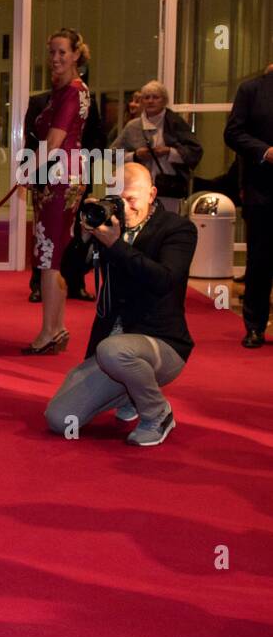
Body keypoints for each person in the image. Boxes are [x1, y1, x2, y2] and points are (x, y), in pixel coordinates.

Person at [45, 163, 197, 446]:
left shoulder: (178, 229)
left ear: (152, 194)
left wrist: (117, 246)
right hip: (111, 351)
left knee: (114, 351)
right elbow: (69, 273)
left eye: (132, 199)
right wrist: (83, 238)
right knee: (59, 418)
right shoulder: (109, 225)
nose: (125, 207)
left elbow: (164, 280)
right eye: (119, 199)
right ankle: (130, 392)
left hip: (162, 345)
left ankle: (157, 413)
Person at [18, 29, 92, 355]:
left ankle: (49, 331)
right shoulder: (65, 90)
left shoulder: (73, 92)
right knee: (54, 254)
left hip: (58, 178)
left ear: (77, 54)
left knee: (48, 256)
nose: (56, 58)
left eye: (62, 52)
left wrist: (32, 173)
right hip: (64, 175)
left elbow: (56, 139)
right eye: (52, 52)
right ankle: (56, 327)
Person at [223, 63, 273, 348]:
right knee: (260, 262)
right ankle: (254, 326)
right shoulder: (252, 89)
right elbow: (233, 133)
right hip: (263, 190)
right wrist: (265, 152)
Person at [112, 81, 202, 214]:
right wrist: (135, 156)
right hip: (138, 189)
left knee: (168, 226)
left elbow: (195, 152)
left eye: (155, 97)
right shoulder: (133, 126)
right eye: (146, 97)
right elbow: (111, 155)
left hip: (168, 189)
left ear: (164, 101)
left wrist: (169, 152)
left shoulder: (176, 123)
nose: (150, 101)